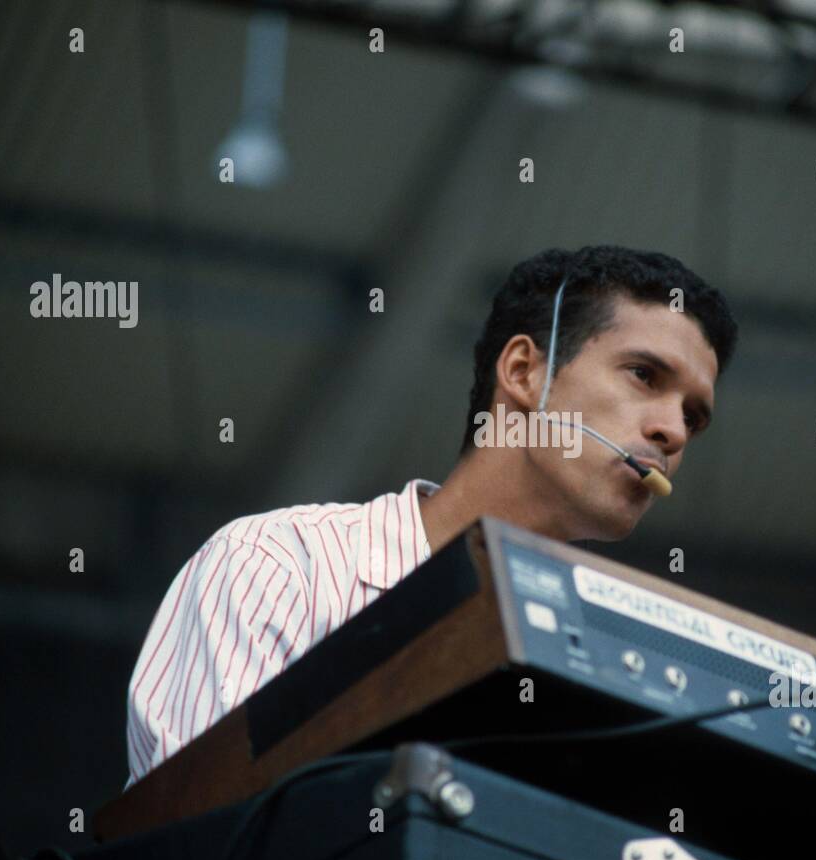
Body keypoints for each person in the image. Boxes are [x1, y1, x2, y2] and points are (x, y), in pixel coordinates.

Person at [123, 245, 738, 786]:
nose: (673, 431)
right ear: (523, 373)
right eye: (643, 374)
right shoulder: (282, 565)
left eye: (695, 416)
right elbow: (202, 830)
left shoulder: (618, 666)